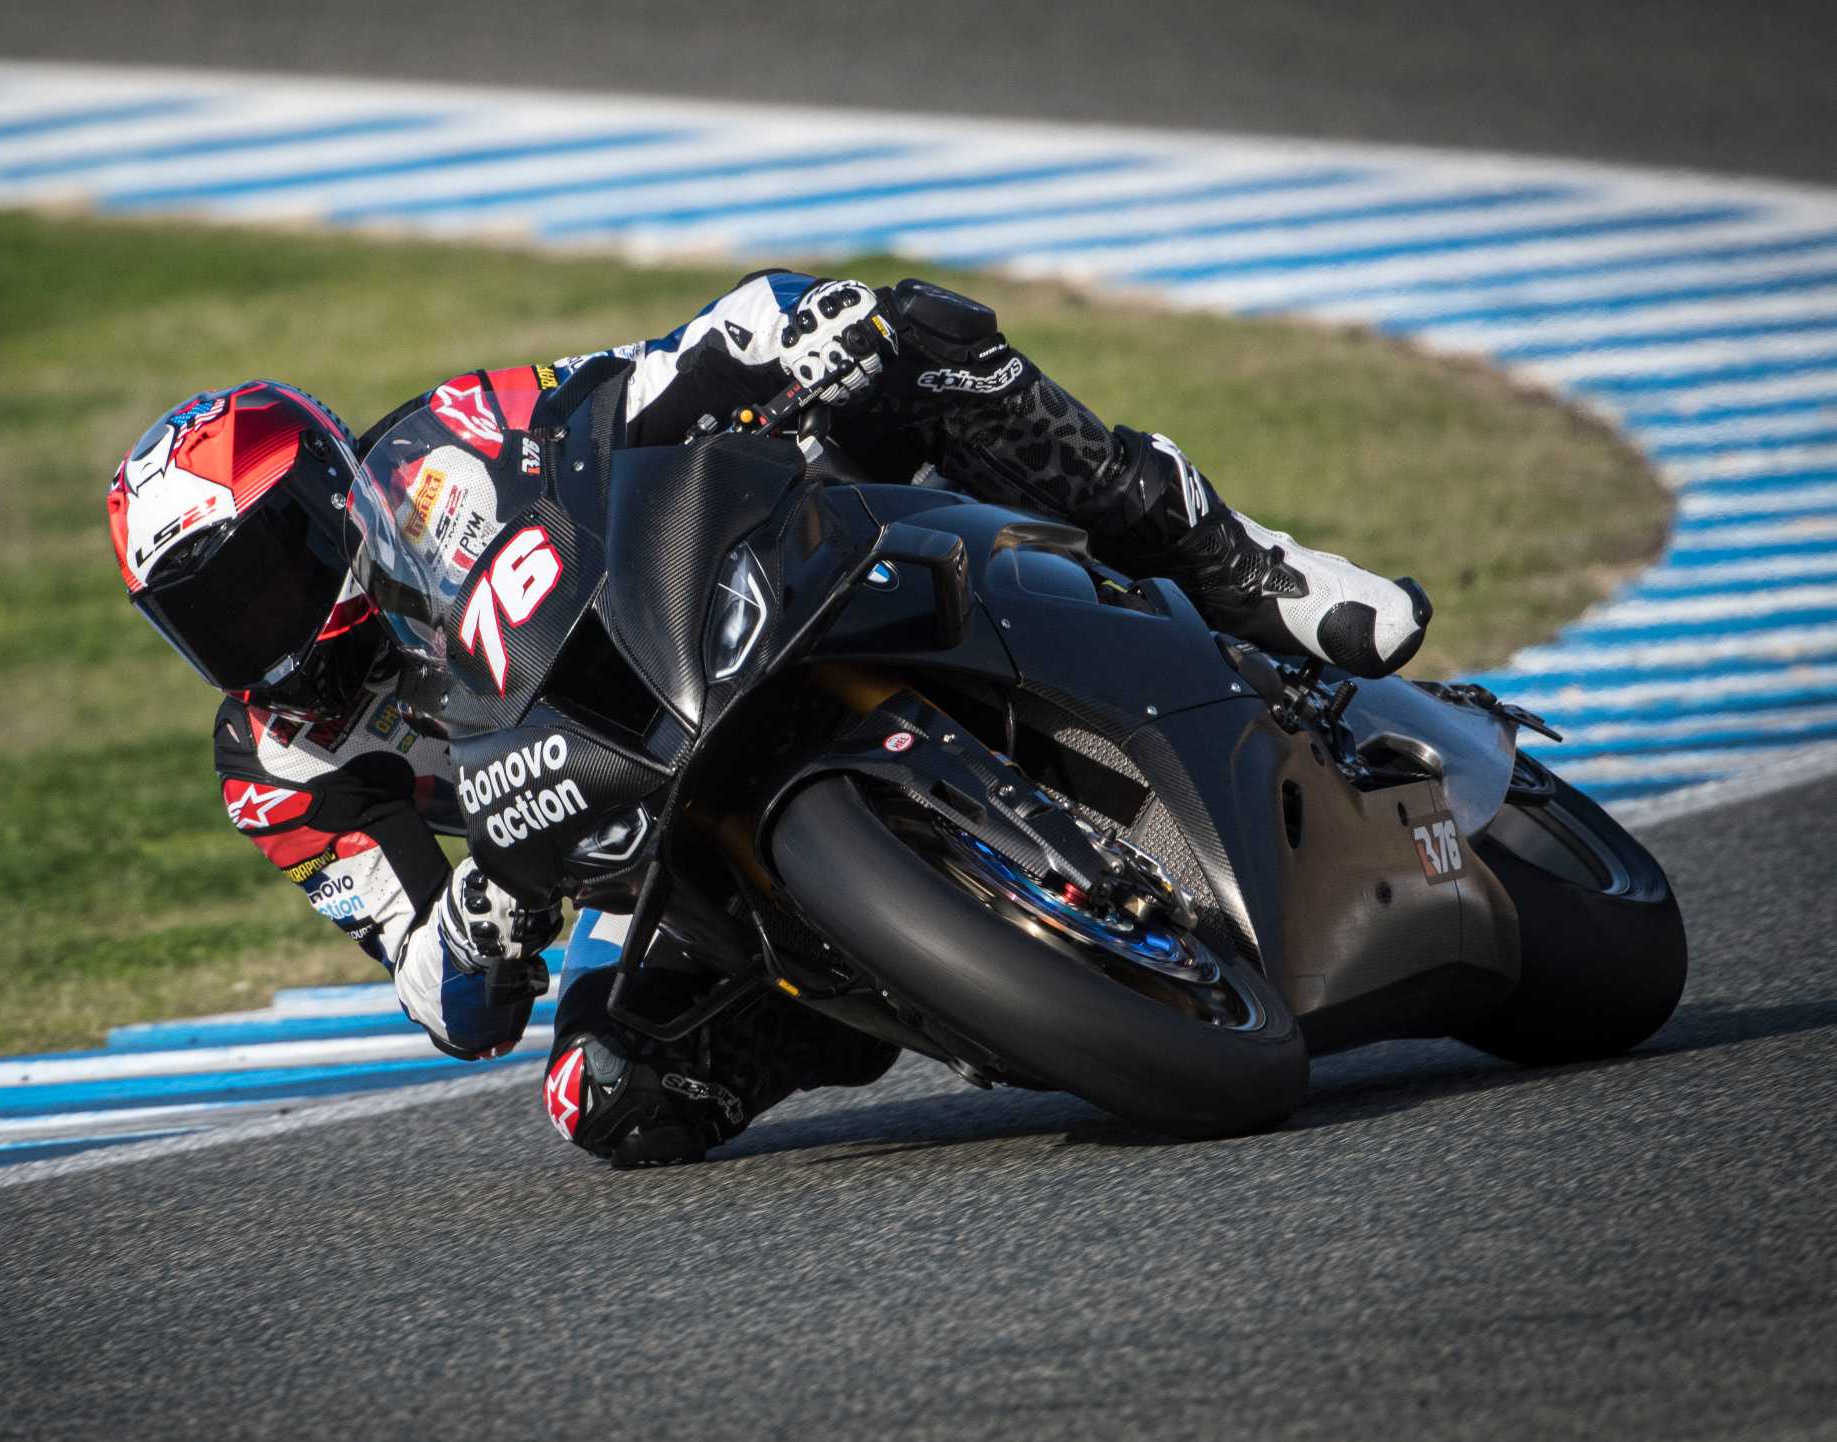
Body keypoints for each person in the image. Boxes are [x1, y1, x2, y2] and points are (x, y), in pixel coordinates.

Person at [104, 272, 1431, 1167]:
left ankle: (1239, 567)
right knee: (601, 1098)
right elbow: (438, 999)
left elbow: (632, 383)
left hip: (748, 597)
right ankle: (918, 981)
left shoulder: (444, 450)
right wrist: (492, 911)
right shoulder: (279, 767)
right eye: (210, 619)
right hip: (656, 843)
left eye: (269, 573)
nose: (261, 632)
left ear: (333, 502)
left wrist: (782, 334)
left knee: (908, 343)